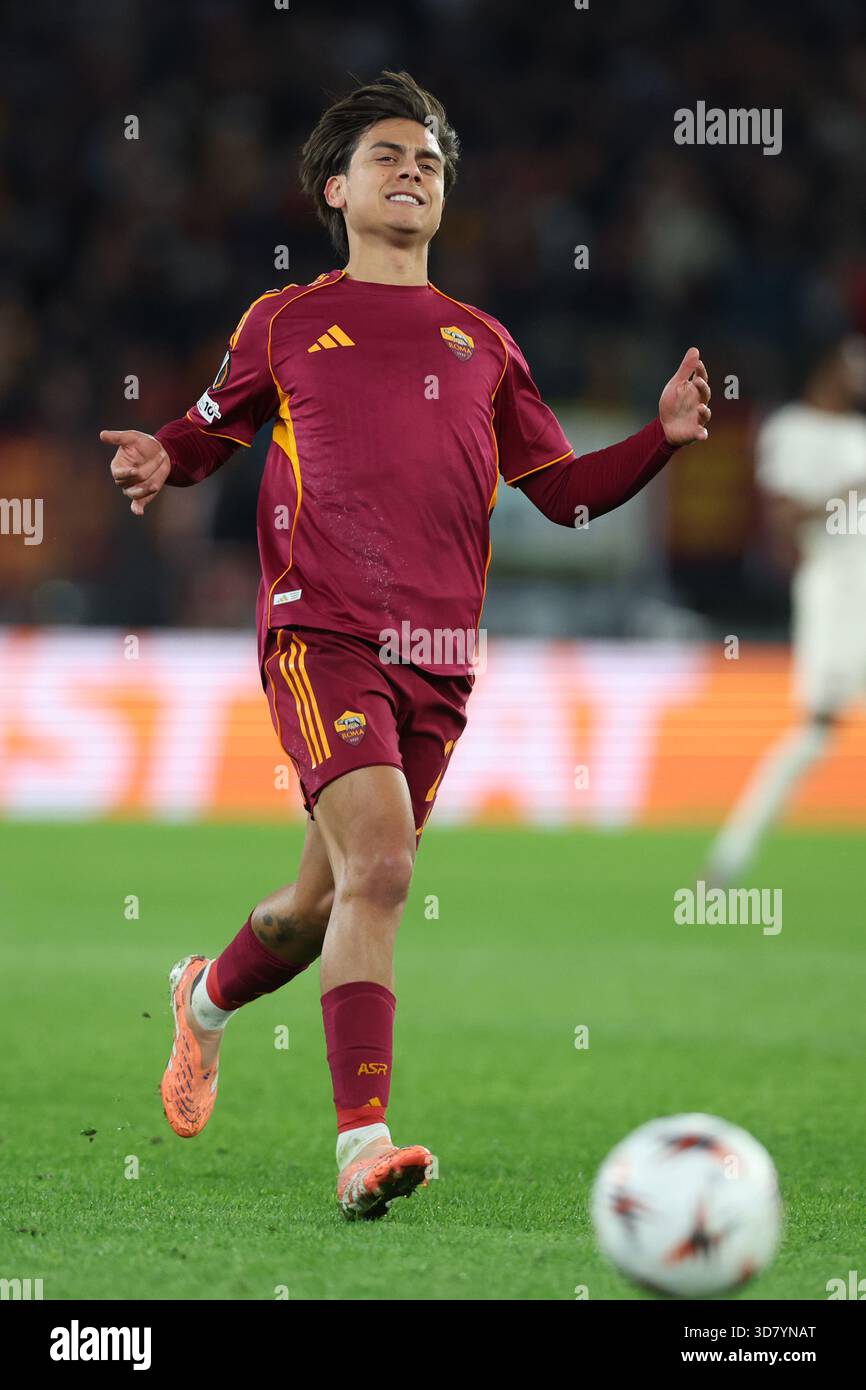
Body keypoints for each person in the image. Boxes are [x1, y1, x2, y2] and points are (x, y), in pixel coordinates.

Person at [100, 70, 711, 1220]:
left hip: (439, 654)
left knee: (321, 901)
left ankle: (204, 999)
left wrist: (659, 439)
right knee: (383, 866)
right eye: (388, 156)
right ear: (335, 188)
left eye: (428, 161)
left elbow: (562, 495)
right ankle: (358, 1144)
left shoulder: (481, 342)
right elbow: (207, 426)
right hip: (318, 633)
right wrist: (160, 460)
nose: (412, 172)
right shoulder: (283, 319)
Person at [707, 331, 866, 886]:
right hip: (836, 592)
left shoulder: (860, 433)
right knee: (818, 730)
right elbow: (779, 521)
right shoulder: (790, 430)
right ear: (825, 364)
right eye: (853, 359)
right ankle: (732, 855)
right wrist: (844, 498)